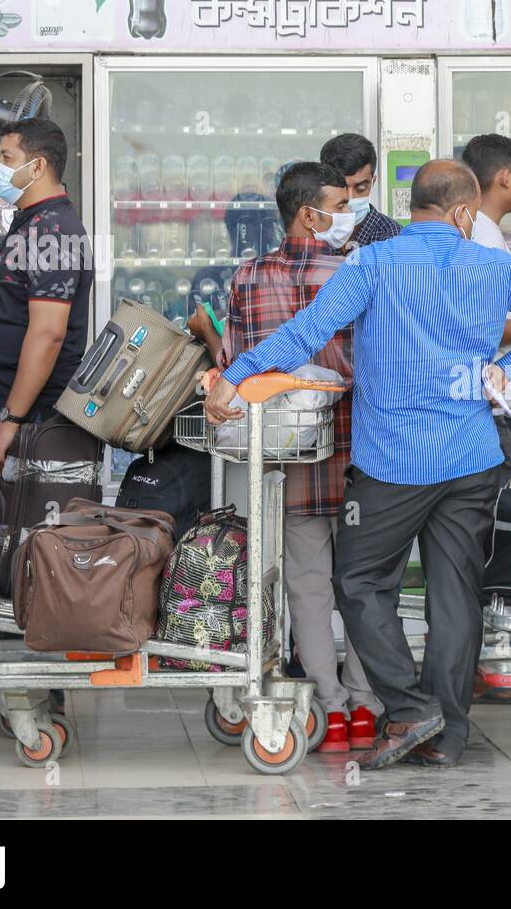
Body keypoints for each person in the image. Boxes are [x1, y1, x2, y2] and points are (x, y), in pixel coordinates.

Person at [205, 159, 511, 769]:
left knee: (358, 582)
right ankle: (447, 738)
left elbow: (305, 335)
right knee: (454, 593)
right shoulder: (491, 265)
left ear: (414, 207)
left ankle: (409, 711)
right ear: (464, 211)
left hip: (395, 460)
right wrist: (506, 369)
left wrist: (235, 374)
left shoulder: (371, 264)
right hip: (471, 455)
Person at [188, 162, 382, 754]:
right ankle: (368, 703)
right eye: (337, 202)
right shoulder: (357, 271)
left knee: (306, 586)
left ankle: (328, 706)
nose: (346, 213)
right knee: (366, 586)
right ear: (309, 213)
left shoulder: (248, 276)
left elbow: (243, 361)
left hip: (289, 457)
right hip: (359, 452)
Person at [0, 118, 93, 725]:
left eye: (7, 156)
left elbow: (45, 335)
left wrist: (9, 420)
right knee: (0, 551)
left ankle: (32, 695)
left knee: (16, 555)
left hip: (30, 424)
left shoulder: (55, 229)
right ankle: (16, 688)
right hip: (7, 417)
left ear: (37, 164)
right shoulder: (31, 224)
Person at [461, 132, 511, 479]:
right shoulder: (485, 236)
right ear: (505, 176)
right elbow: (485, 324)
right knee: (501, 508)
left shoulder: (480, 230)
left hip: (493, 396)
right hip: (496, 402)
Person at [319, 133, 401, 252]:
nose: (350, 198)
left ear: (372, 182)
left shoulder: (392, 239)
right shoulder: (314, 232)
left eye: (361, 188)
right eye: (342, 187)